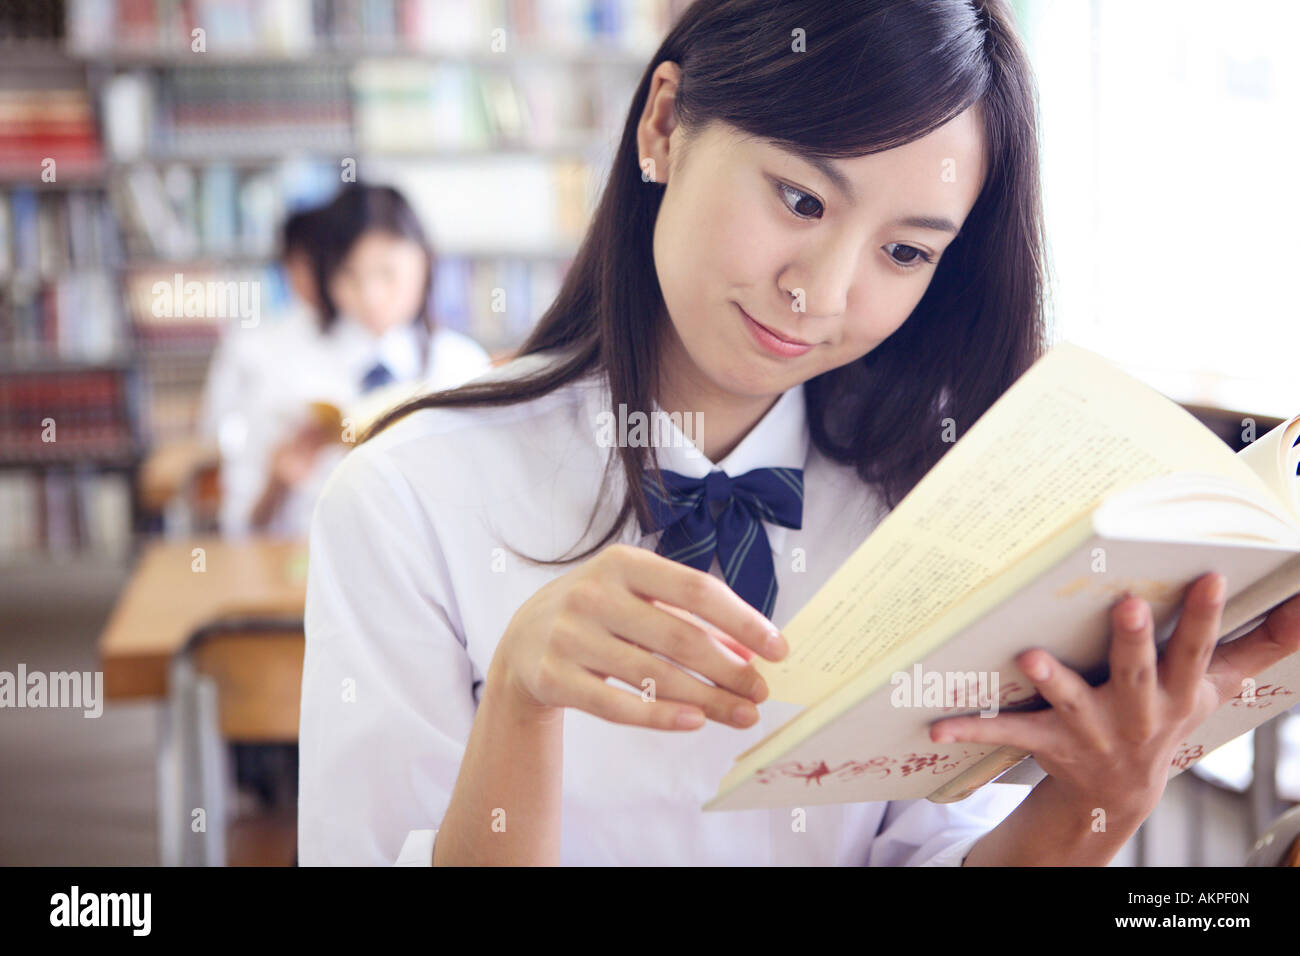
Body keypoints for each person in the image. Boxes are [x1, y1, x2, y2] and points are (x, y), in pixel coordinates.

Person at [297, 0, 1300, 866]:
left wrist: (1101, 799)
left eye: (904, 251)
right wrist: (520, 693)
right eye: (799, 197)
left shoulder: (933, 507)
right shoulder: (407, 498)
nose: (819, 291)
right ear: (662, 124)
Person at [201, 185, 493, 538]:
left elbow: (490, 508)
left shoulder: (461, 367)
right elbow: (240, 526)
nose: (371, 297)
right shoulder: (279, 368)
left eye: (388, 273)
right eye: (349, 276)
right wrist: (278, 483)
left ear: (424, 262)